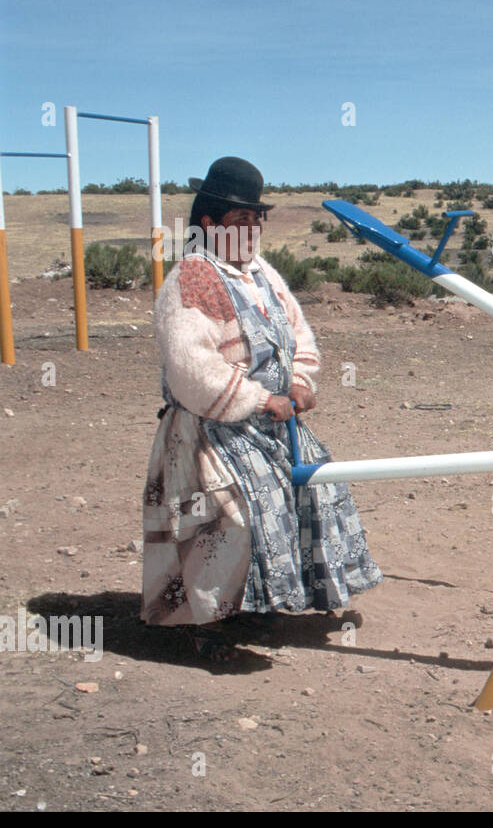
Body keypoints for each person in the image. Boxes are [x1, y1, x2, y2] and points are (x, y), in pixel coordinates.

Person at [141, 156, 382, 659]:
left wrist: (298, 382)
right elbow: (191, 367)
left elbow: (297, 333)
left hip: (272, 422)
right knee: (230, 515)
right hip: (211, 427)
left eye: (256, 219)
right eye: (240, 219)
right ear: (209, 223)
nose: (251, 229)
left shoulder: (261, 275)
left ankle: (256, 604)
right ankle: (201, 625)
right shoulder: (191, 278)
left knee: (312, 491)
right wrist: (257, 398)